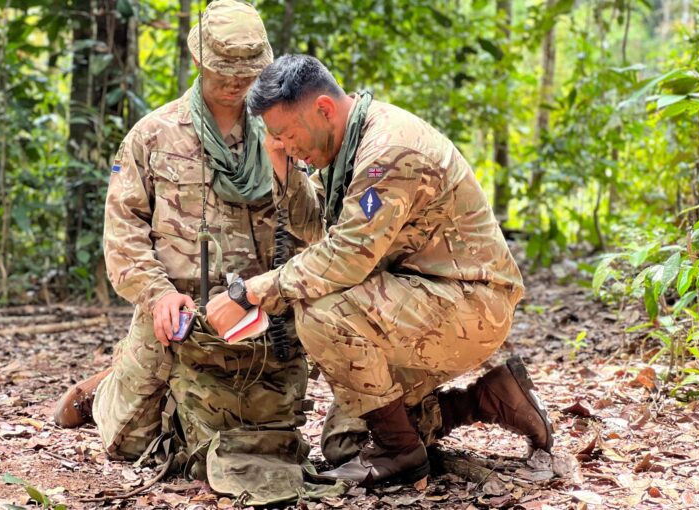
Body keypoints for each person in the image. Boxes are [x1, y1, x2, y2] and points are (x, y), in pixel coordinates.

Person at [207, 54, 554, 486]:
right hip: (416, 298)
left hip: (470, 303)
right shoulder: (342, 145)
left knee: (322, 312)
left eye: (287, 134)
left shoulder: (387, 151)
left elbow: (344, 258)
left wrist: (250, 293)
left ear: (323, 109)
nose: (285, 145)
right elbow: (316, 234)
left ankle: (400, 454)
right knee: (343, 443)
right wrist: (284, 171)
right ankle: (490, 399)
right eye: (275, 137)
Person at [52, 3, 324, 502]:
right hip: (176, 315)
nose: (235, 83)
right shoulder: (154, 135)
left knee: (264, 443)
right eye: (224, 71)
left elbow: (313, 230)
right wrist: (156, 296)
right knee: (127, 443)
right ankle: (110, 386)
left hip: (257, 315)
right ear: (198, 60)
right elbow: (123, 234)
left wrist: (284, 166)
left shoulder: (279, 128)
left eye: (247, 72)